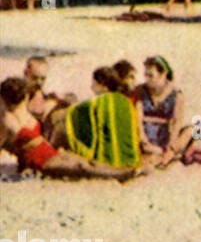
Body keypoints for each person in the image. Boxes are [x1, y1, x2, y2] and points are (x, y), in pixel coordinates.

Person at [0, 77, 138, 180]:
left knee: (83, 162)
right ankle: (121, 174)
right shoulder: (8, 120)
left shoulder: (22, 111)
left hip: (47, 151)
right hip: (37, 160)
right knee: (81, 167)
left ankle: (122, 171)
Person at [136, 56, 194, 166]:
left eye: (151, 75)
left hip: (165, 137)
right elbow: (138, 120)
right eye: (146, 75)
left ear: (163, 74)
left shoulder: (176, 95)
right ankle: (161, 154)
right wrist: (144, 141)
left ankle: (169, 154)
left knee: (192, 130)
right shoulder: (140, 91)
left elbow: (177, 121)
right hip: (145, 138)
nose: (147, 79)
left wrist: (171, 146)